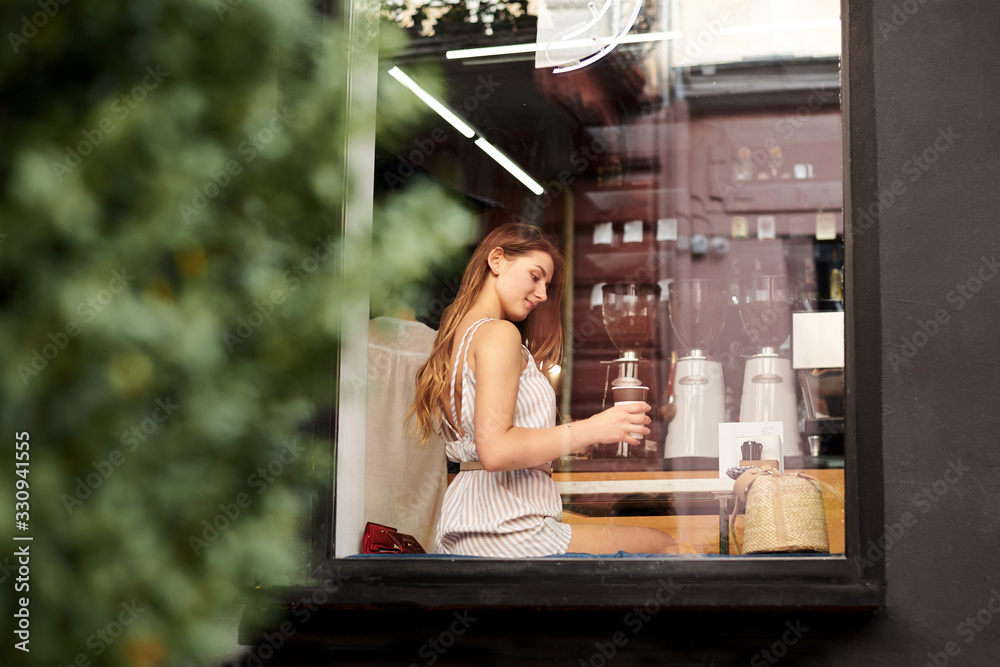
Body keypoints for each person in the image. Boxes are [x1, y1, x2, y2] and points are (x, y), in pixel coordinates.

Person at [410, 223, 676, 556]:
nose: (542, 294)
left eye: (546, 285)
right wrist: (594, 428)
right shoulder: (499, 334)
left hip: (470, 525)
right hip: (508, 528)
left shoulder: (457, 339)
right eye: (535, 277)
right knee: (662, 545)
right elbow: (495, 449)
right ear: (497, 260)